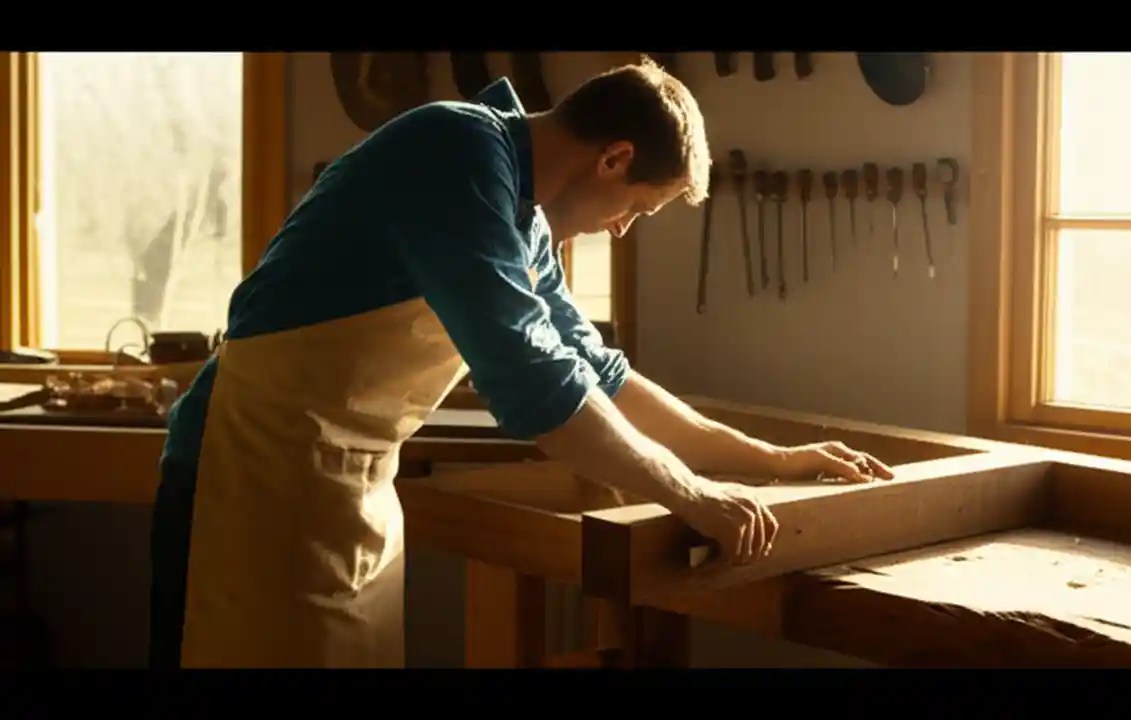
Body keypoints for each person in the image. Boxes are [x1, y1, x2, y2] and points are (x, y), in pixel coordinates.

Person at [148, 56, 894, 670]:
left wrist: (768, 459)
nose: (623, 230)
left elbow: (599, 374)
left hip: (346, 492)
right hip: (246, 475)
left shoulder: (524, 218)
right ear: (615, 157)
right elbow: (542, 391)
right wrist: (692, 495)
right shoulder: (457, 153)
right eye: (636, 208)